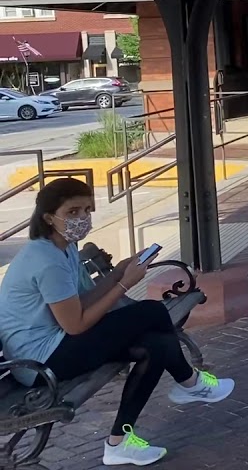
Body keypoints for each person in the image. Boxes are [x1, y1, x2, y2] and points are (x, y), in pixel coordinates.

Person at [0, 178, 234, 466]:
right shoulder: (45, 260)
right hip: (39, 363)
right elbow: (76, 324)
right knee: (152, 312)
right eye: (72, 212)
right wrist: (125, 285)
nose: (82, 218)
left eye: (87, 210)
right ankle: (189, 381)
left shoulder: (64, 247)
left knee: (155, 345)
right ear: (49, 217)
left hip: (57, 344)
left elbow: (82, 302)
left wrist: (117, 274)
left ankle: (119, 443)